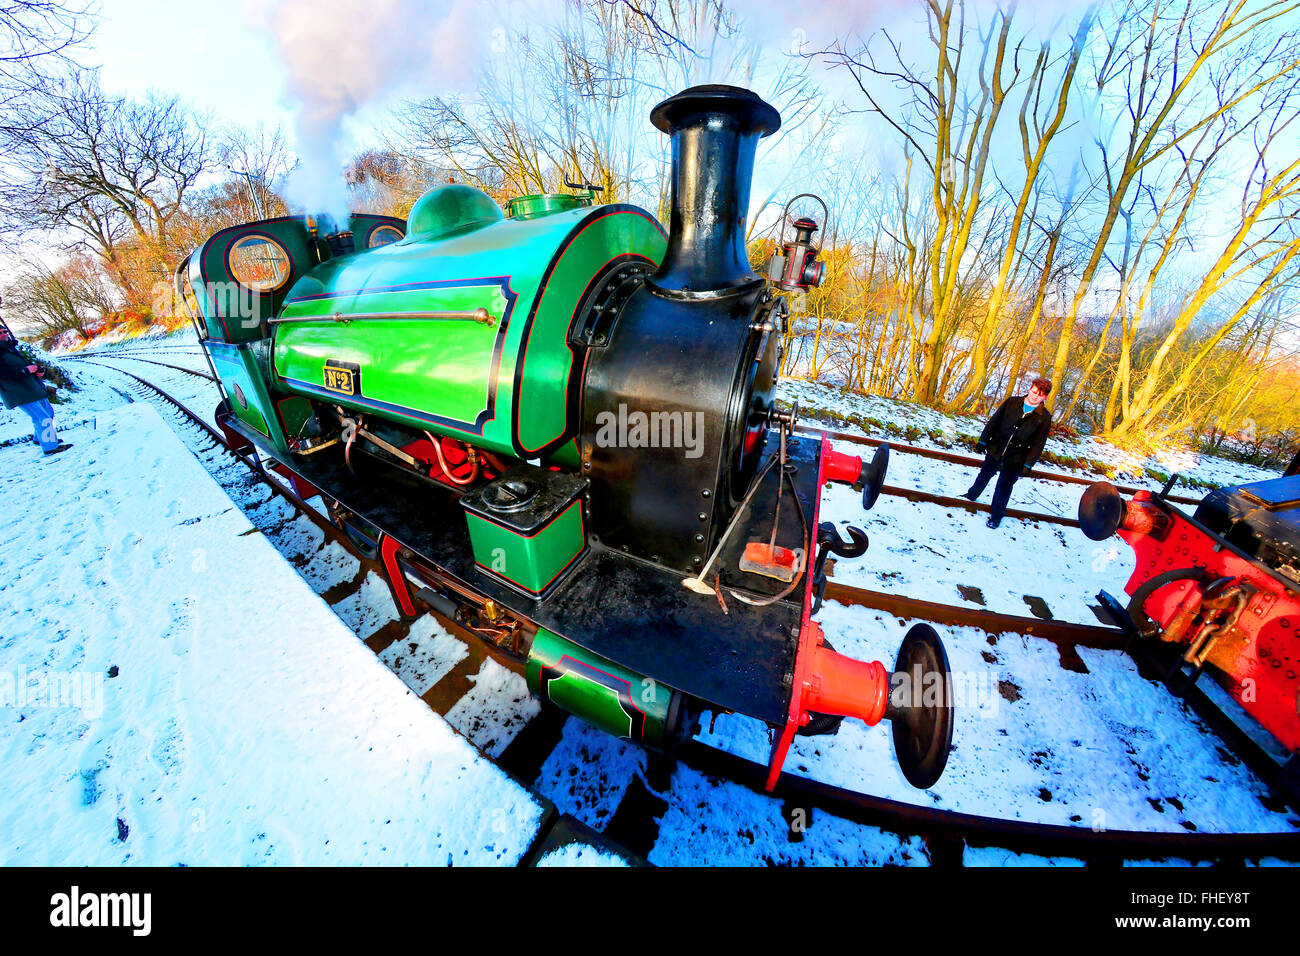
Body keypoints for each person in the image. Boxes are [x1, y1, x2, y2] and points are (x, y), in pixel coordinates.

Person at [961, 377, 1052, 529]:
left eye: (1040, 395)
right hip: (997, 447)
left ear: (1045, 397)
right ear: (1030, 389)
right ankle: (971, 495)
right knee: (985, 473)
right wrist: (983, 440)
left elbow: (1039, 443)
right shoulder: (1012, 402)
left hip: (1017, 457)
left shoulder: (1044, 417)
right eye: (1034, 391)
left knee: (1004, 486)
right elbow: (994, 421)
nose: (1035, 396)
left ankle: (996, 516)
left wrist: (1028, 464)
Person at [0, 327, 71, 457]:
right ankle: (50, 446)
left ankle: (40, 439)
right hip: (18, 392)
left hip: (32, 387)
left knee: (48, 413)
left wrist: (38, 369)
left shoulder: (9, 348)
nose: (4, 334)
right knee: (41, 417)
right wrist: (26, 371)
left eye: (4, 331)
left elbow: (23, 364)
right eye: (0, 333)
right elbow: (3, 374)